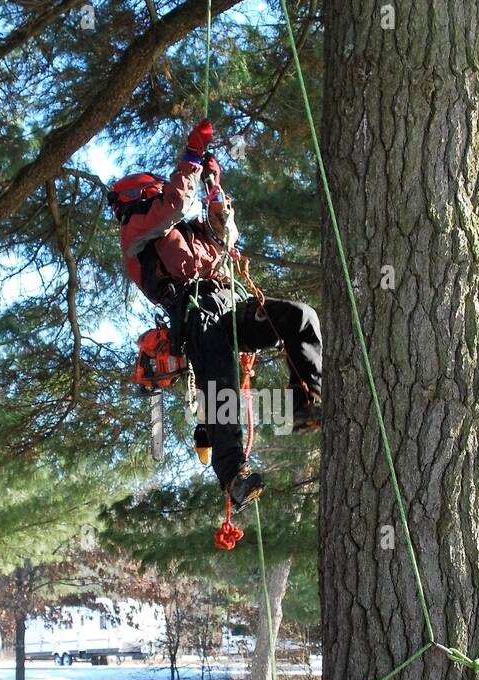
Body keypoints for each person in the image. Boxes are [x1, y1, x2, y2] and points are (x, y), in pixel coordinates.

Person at [109, 118, 322, 512]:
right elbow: (172, 205)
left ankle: (307, 402)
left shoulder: (186, 228)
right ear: (140, 195)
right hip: (197, 316)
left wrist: (213, 185)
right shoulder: (137, 232)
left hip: (229, 305)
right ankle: (234, 477)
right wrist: (190, 158)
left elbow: (225, 234)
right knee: (221, 393)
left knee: (299, 317)